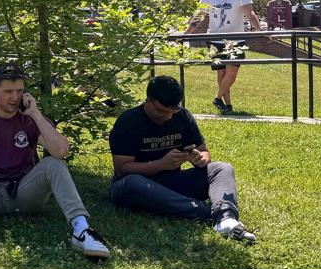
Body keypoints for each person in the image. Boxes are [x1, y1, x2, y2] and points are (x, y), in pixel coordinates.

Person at [0, 62, 110, 258]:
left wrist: (35, 114)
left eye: (19, 91)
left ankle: (82, 230)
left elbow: (60, 150)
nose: (15, 97)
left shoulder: (30, 119)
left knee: (54, 163)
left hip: (24, 194)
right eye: (8, 91)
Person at [108, 76, 257, 244]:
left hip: (175, 183)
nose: (167, 117)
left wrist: (201, 159)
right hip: (141, 185)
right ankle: (207, 213)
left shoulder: (182, 117)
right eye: (161, 111)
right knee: (131, 184)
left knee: (221, 168)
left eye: (172, 111)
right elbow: (122, 169)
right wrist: (159, 165)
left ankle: (226, 218)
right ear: (148, 101)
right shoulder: (128, 121)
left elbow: (204, 151)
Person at [186, 0, 261, 113]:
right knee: (221, 74)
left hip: (235, 40)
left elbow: (249, 13)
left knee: (232, 71)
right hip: (214, 39)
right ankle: (227, 106)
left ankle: (217, 98)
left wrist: (261, 31)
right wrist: (185, 34)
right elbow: (198, 17)